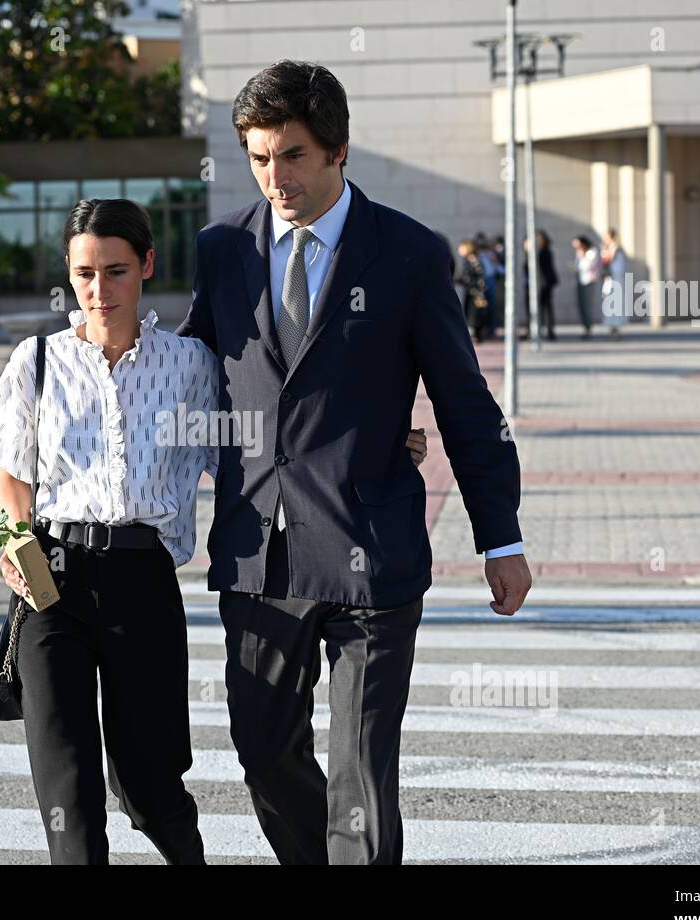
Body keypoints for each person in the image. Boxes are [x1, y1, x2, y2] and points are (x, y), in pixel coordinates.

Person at [177, 60, 531, 865]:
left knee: (362, 778)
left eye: (293, 155)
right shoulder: (221, 247)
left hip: (373, 554)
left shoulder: (406, 252)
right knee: (264, 755)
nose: (276, 177)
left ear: (340, 151)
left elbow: (465, 401)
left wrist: (500, 537)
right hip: (257, 552)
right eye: (260, 158)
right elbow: (195, 373)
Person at [0, 198, 217, 864]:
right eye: (84, 273)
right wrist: (15, 539)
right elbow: (12, 477)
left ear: (146, 264)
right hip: (51, 581)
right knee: (69, 794)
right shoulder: (36, 362)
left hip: (142, 580)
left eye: (115, 272)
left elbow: (247, 460)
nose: (98, 291)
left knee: (147, 785)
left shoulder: (190, 366)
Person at [455, 240, 490, 342]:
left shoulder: (475, 261)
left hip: (476, 293)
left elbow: (479, 278)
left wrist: (479, 291)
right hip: (469, 292)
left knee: (475, 315)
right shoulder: (467, 261)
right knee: (469, 313)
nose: (459, 250)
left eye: (461, 247)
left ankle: (476, 335)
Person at [571, 235, 602, 338]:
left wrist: (582, 256)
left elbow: (587, 266)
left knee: (587, 305)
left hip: (589, 281)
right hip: (580, 281)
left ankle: (588, 328)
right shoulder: (579, 253)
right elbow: (576, 267)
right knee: (581, 305)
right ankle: (585, 326)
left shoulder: (592, 252)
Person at [600, 227, 628, 339]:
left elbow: (618, 266)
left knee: (615, 303)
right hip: (609, 279)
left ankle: (616, 328)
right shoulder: (607, 248)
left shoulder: (617, 249)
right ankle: (612, 327)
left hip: (615, 279)